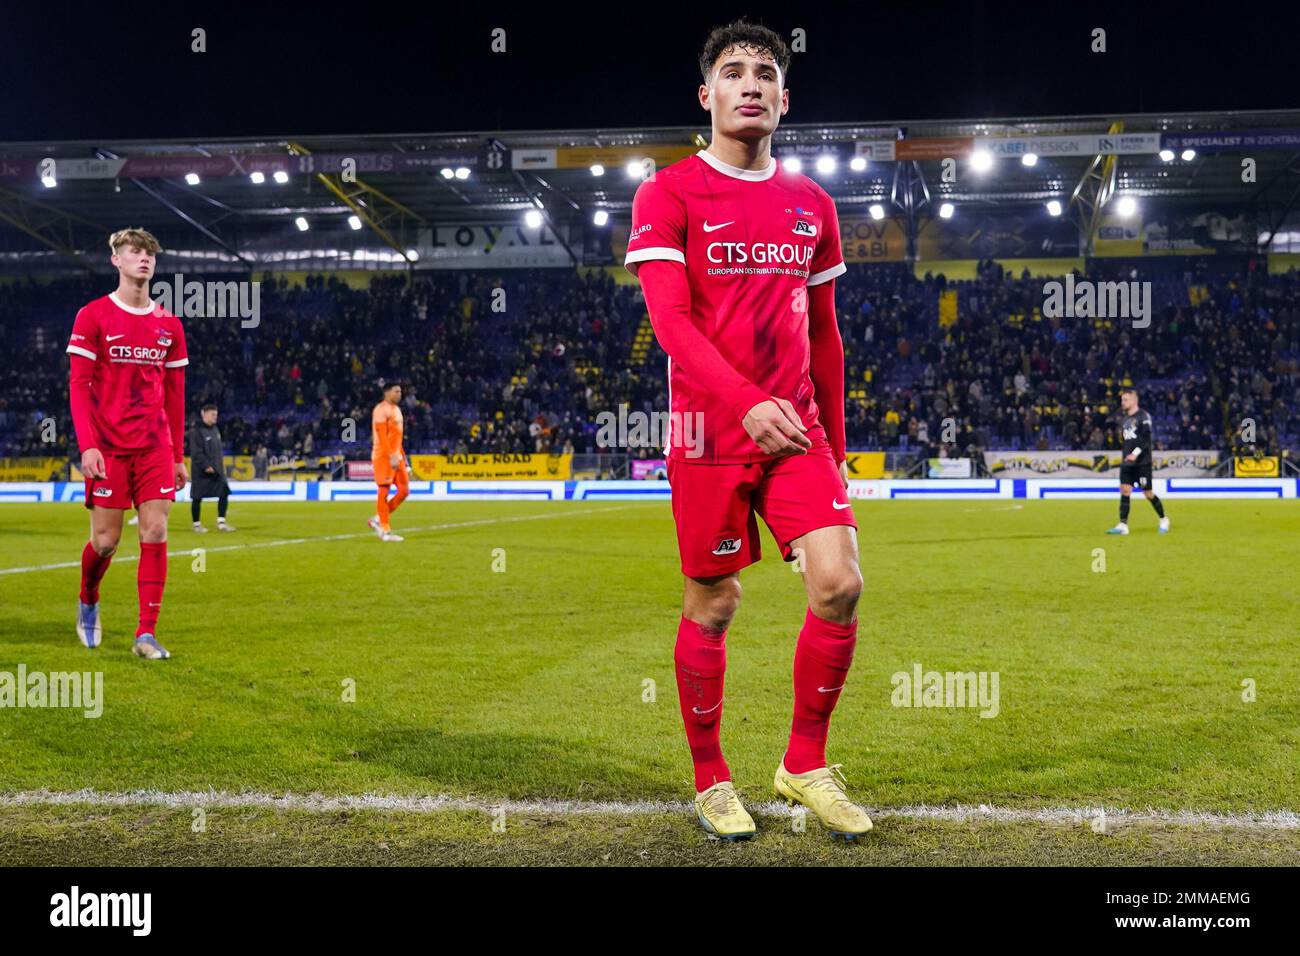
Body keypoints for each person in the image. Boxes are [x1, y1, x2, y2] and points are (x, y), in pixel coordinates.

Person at [624, 19, 869, 841]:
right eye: (734, 72)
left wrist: (833, 443)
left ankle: (805, 763)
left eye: (766, 71)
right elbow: (671, 323)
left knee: (839, 582)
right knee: (715, 601)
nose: (752, 83)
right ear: (708, 95)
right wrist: (741, 402)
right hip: (707, 431)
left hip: (797, 431)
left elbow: (827, 334)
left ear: (785, 98)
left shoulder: (813, 204)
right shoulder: (668, 194)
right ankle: (710, 778)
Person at [67, 227, 188, 660]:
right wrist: (88, 445)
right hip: (109, 447)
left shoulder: (169, 324)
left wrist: (176, 454)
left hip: (155, 445)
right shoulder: (93, 315)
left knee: (155, 529)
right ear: (115, 260)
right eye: (134, 252)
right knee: (105, 542)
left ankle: (146, 632)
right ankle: (88, 598)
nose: (144, 258)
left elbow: (175, 395)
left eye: (149, 253)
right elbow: (79, 386)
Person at [1107, 387, 1170, 535]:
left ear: (1134, 400)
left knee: (1147, 493)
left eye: (1125, 399)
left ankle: (1163, 519)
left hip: (1142, 462)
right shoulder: (1125, 419)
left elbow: (1147, 440)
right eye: (1122, 400)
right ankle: (1123, 525)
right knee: (1125, 489)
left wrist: (1135, 454)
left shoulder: (1143, 416)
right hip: (1128, 462)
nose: (1122, 402)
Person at [368, 382, 410, 542]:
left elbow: (397, 439)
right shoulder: (380, 410)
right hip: (383, 456)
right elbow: (381, 435)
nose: (400, 394)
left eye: (400, 391)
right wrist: (390, 455)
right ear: (387, 392)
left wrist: (403, 459)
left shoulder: (397, 410)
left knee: (404, 490)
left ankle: (377, 519)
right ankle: (385, 531)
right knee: (384, 490)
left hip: (397, 456)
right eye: (396, 391)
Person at [189, 403, 235, 532]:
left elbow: (218, 452)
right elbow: (196, 452)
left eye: (216, 415)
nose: (215, 417)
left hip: (217, 470)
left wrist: (219, 467)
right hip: (201, 472)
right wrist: (206, 466)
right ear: (204, 414)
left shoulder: (215, 430)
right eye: (213, 414)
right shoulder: (196, 431)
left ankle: (221, 522)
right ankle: (196, 524)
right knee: (197, 497)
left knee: (224, 493)